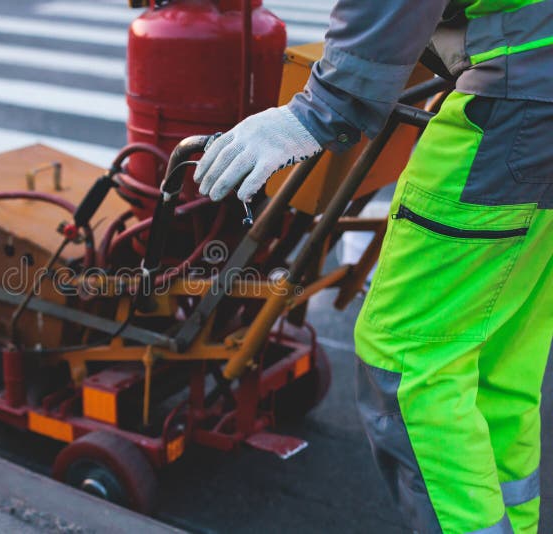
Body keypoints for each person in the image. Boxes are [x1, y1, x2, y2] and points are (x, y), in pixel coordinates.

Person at [194, 1, 553, 532]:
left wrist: (317, 109)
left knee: (407, 360)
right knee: (497, 361)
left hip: (516, 103)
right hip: (536, 89)